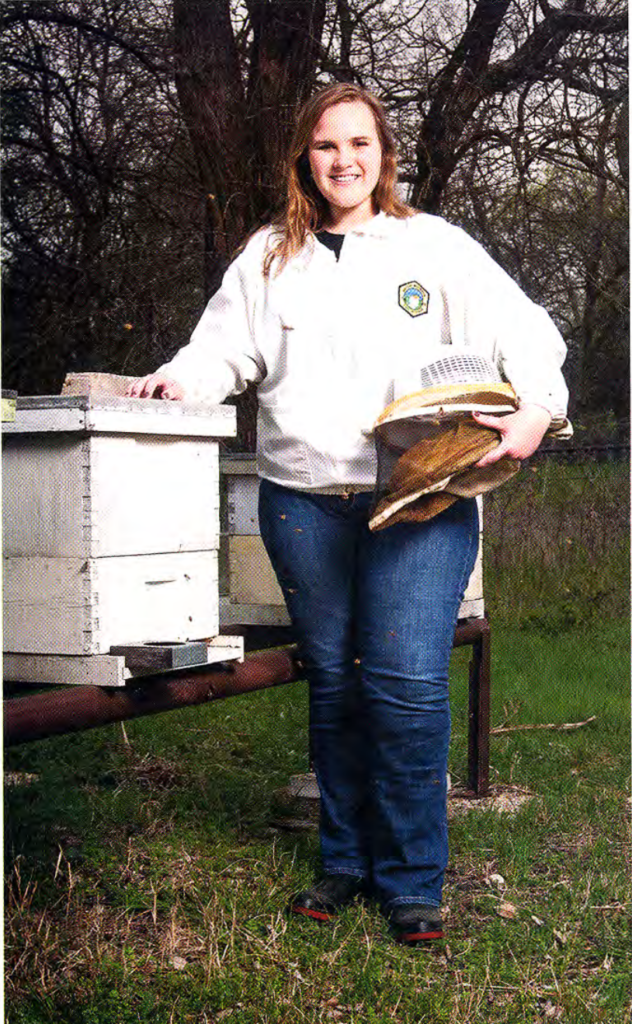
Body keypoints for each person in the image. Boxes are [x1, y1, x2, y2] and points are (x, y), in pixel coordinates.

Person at [128, 83, 569, 945]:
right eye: (328, 146)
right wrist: (173, 382)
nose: (345, 162)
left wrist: (535, 411)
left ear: (384, 154)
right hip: (301, 504)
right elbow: (221, 350)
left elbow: (527, 330)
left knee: (404, 687)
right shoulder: (267, 256)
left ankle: (411, 881)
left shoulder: (430, 246)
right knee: (334, 686)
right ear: (306, 156)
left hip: (421, 495)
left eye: (360, 145)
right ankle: (345, 862)